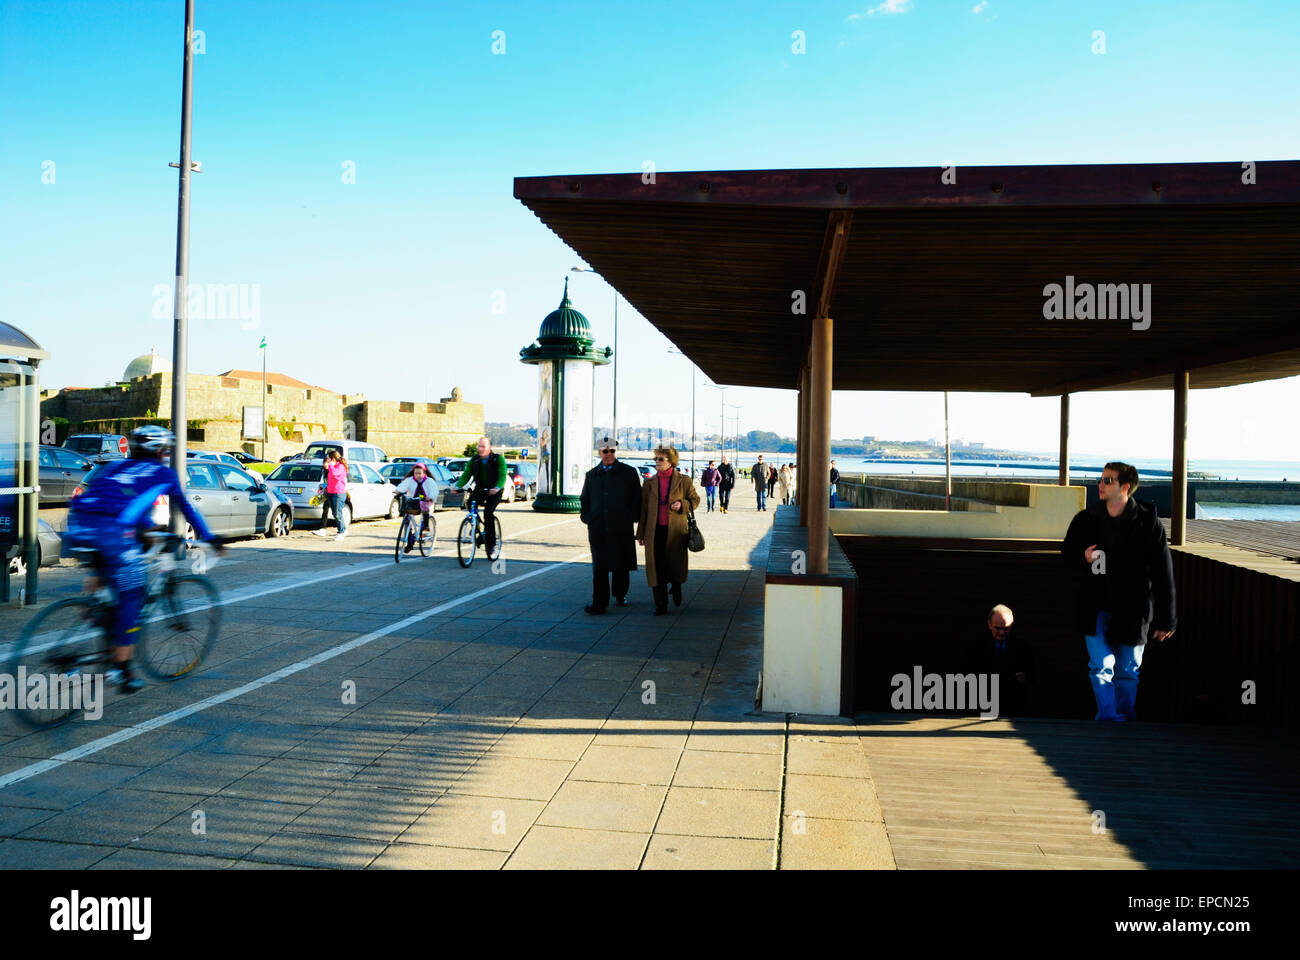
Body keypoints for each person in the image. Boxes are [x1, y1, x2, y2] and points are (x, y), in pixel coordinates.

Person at [64, 425, 223, 693]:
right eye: (165, 450)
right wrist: (209, 537)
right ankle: (122, 670)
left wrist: (148, 528)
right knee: (132, 596)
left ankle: (91, 613)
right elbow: (186, 508)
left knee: (105, 576)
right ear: (159, 451)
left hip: (79, 525)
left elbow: (123, 500)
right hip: (111, 533)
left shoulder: (115, 467)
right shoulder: (163, 473)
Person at [1062, 461, 1176, 722]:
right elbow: (1066, 553)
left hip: (1133, 610)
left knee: (1128, 671)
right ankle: (1108, 720)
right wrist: (1084, 556)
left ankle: (1124, 720)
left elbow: (1163, 573)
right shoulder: (1086, 519)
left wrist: (1167, 619)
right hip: (1096, 607)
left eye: (1108, 480)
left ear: (1125, 487)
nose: (1100, 484)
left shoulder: (1148, 524)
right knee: (1100, 667)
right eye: (1100, 479)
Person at [579, 437, 642, 614]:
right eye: (605, 451)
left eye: (612, 451)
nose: (608, 454)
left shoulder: (629, 473)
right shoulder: (592, 475)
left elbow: (637, 498)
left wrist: (632, 517)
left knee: (620, 564)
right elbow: (585, 499)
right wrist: (587, 517)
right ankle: (599, 603)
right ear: (599, 453)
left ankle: (620, 594)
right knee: (599, 566)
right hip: (598, 527)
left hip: (621, 527)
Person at [636, 446, 700, 615]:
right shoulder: (649, 482)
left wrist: (682, 505)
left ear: (671, 461)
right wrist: (640, 533)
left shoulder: (683, 480)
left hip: (677, 532)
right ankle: (660, 605)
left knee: (674, 566)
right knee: (656, 568)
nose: (657, 462)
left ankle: (677, 586)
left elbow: (695, 500)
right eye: (655, 459)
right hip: (654, 531)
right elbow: (644, 510)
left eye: (660, 459)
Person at [962, 604, 1035, 717]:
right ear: (989, 625)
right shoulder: (977, 648)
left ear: (1011, 626)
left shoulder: (1022, 647)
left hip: (1014, 709)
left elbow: (1033, 675)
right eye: (998, 628)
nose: (1001, 633)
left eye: (1006, 628)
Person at [455, 435, 508, 558]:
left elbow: (502, 475)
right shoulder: (474, 460)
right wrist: (457, 486)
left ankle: (491, 546)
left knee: (488, 513)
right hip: (480, 489)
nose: (480, 449)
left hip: (494, 491)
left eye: (483, 446)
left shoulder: (498, 459)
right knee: (469, 504)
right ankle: (477, 527)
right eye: (479, 446)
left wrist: (497, 487)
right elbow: (466, 475)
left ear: (490, 448)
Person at [394, 461, 438, 553]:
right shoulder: (410, 480)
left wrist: (430, 497)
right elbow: (403, 486)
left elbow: (434, 490)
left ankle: (425, 526)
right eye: (416, 473)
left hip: (426, 501)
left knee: (425, 510)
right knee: (407, 518)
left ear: (424, 473)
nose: (417, 475)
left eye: (419, 473)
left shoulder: (429, 481)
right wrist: (398, 491)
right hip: (413, 501)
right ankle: (409, 540)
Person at [312, 450, 350, 541]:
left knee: (337, 513)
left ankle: (341, 532)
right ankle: (343, 530)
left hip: (338, 493)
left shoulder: (340, 467)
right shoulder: (332, 467)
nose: (327, 459)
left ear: (333, 459)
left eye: (328, 458)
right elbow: (330, 481)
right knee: (335, 513)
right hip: (331, 492)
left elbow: (335, 475)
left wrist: (331, 466)